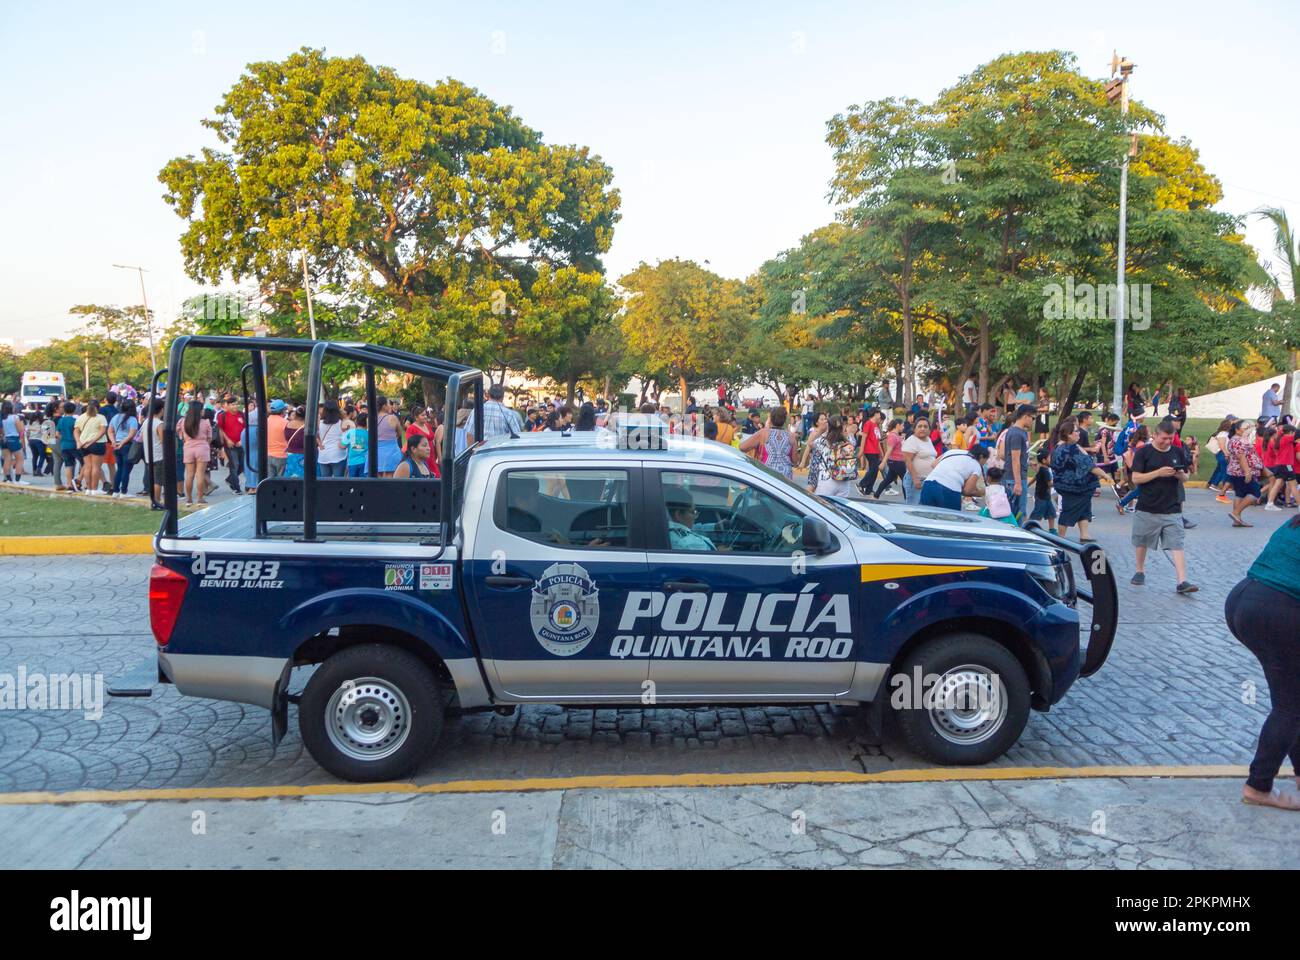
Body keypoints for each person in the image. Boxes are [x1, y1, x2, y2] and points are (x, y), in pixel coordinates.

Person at [1226, 515, 1300, 810]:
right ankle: (1258, 786)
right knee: (1290, 707)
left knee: (1292, 699)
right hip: (1278, 611)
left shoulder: (1294, 521)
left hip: (1244, 600)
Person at [1128, 420, 1197, 594]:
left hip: (1172, 507)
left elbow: (1186, 477)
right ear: (1155, 435)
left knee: (1177, 544)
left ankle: (1182, 581)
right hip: (1147, 506)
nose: (1167, 442)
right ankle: (1139, 570)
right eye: (1164, 438)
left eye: (1171, 438)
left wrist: (1180, 475)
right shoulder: (1144, 453)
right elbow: (1136, 478)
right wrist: (1158, 473)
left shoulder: (1177, 452)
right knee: (1142, 541)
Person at [1050, 418, 1106, 542]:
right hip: (1074, 486)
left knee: (1084, 508)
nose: (1079, 433)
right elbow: (1089, 466)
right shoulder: (1072, 448)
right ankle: (1061, 538)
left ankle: (1084, 534)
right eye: (1076, 431)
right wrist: (1105, 475)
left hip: (1066, 484)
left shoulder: (1060, 446)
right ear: (1069, 434)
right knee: (1068, 510)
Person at [920, 444, 989, 510]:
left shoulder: (953, 451)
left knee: (926, 517)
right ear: (981, 456)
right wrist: (980, 493)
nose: (984, 463)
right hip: (949, 491)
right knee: (950, 519)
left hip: (928, 484)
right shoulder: (976, 466)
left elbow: (934, 464)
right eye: (985, 461)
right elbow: (967, 491)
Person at [807, 415, 858, 497]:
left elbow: (810, 444)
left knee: (823, 508)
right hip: (844, 481)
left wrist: (821, 431)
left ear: (829, 427)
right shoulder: (849, 443)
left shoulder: (821, 442)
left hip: (827, 481)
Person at [1225, 418, 1263, 527]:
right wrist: (1247, 472)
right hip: (1241, 472)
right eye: (1246, 428)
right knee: (1256, 492)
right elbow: (1241, 457)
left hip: (1235, 471)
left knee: (1240, 494)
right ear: (1237, 430)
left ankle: (1237, 519)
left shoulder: (1235, 439)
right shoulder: (1239, 441)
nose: (1249, 430)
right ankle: (1236, 513)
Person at [739, 407, 795, 479]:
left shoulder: (763, 433)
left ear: (770, 419)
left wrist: (755, 447)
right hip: (786, 476)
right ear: (784, 420)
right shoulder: (791, 436)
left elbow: (742, 447)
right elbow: (795, 460)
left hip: (767, 474)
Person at [1001, 404, 1035, 522]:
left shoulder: (1022, 433)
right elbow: (1015, 459)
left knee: (1020, 511)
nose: (1033, 421)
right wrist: (1018, 483)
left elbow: (1020, 457)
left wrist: (1029, 462)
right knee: (1017, 513)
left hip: (1020, 475)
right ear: (1026, 416)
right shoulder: (1015, 433)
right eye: (1033, 418)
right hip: (1014, 478)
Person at [181, 402, 212, 506]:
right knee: (200, 475)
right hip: (202, 448)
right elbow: (209, 437)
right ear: (200, 411)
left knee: (189, 475)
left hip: (188, 448)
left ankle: (189, 499)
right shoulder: (206, 422)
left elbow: (181, 436)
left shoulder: (183, 422)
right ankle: (200, 498)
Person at [75, 399, 108, 496]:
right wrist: (92, 441)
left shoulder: (80, 417)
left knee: (87, 466)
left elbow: (76, 431)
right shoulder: (101, 418)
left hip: (83, 443)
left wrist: (78, 441)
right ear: (98, 408)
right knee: (96, 467)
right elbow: (102, 431)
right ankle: (94, 489)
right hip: (97, 443)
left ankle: (88, 489)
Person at [109, 399, 140, 497]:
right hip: (127, 446)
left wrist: (114, 441)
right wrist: (123, 443)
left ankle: (115, 490)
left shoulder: (115, 417)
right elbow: (132, 434)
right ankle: (124, 491)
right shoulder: (133, 419)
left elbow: (110, 431)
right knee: (126, 469)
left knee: (120, 468)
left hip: (116, 445)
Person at [216, 396, 246, 494]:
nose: (235, 406)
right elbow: (221, 429)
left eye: (236, 404)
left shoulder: (242, 415)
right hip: (229, 445)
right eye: (233, 404)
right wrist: (227, 440)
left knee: (242, 465)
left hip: (241, 444)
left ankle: (230, 479)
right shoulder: (222, 416)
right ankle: (237, 488)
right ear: (228, 406)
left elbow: (246, 428)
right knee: (234, 465)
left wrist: (242, 440)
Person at [873, 419, 908, 498]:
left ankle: (876, 495)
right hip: (897, 462)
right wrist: (883, 463)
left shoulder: (895, 436)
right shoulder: (892, 436)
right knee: (905, 481)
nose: (903, 427)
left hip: (895, 462)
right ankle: (907, 499)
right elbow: (889, 451)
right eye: (902, 425)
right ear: (897, 425)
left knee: (888, 480)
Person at [1028, 450, 1058, 533]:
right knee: (1037, 514)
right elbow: (1049, 484)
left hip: (1045, 496)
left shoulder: (1042, 469)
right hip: (1042, 496)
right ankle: (1027, 526)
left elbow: (1035, 478)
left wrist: (1027, 485)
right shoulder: (1045, 471)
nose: (1051, 460)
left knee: (1051, 513)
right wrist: (1059, 482)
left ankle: (1052, 530)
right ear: (1044, 460)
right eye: (1049, 458)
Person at [374, 396, 403, 477]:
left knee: (377, 477)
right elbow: (400, 433)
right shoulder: (392, 418)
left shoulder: (371, 419)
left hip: (375, 450)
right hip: (391, 450)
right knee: (389, 476)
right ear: (384, 406)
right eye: (388, 404)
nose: (390, 405)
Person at [857, 408, 883, 496]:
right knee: (874, 469)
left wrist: (881, 452)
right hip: (869, 450)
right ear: (875, 414)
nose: (880, 415)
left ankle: (869, 489)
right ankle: (861, 484)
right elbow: (864, 437)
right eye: (879, 413)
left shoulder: (875, 425)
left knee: (875, 470)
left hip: (875, 450)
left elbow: (878, 440)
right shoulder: (868, 424)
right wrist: (861, 451)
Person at [57, 400, 80, 491]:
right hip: (74, 444)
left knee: (68, 464)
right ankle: (78, 481)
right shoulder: (75, 421)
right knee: (83, 462)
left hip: (64, 445)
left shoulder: (61, 420)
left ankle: (69, 484)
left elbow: (57, 434)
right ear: (74, 410)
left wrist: (63, 438)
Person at [265, 399, 288, 479]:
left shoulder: (265, 421)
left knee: (270, 482)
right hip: (281, 456)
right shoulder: (285, 423)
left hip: (267, 455)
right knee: (281, 482)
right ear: (283, 411)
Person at [283, 406, 308, 479]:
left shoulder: (288, 424)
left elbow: (286, 437)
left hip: (290, 454)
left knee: (290, 478)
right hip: (303, 455)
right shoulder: (307, 426)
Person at [344, 412, 369, 478]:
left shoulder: (351, 432)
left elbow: (342, 445)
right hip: (364, 462)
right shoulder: (369, 434)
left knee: (352, 485)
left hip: (352, 462)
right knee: (363, 484)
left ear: (357, 421)